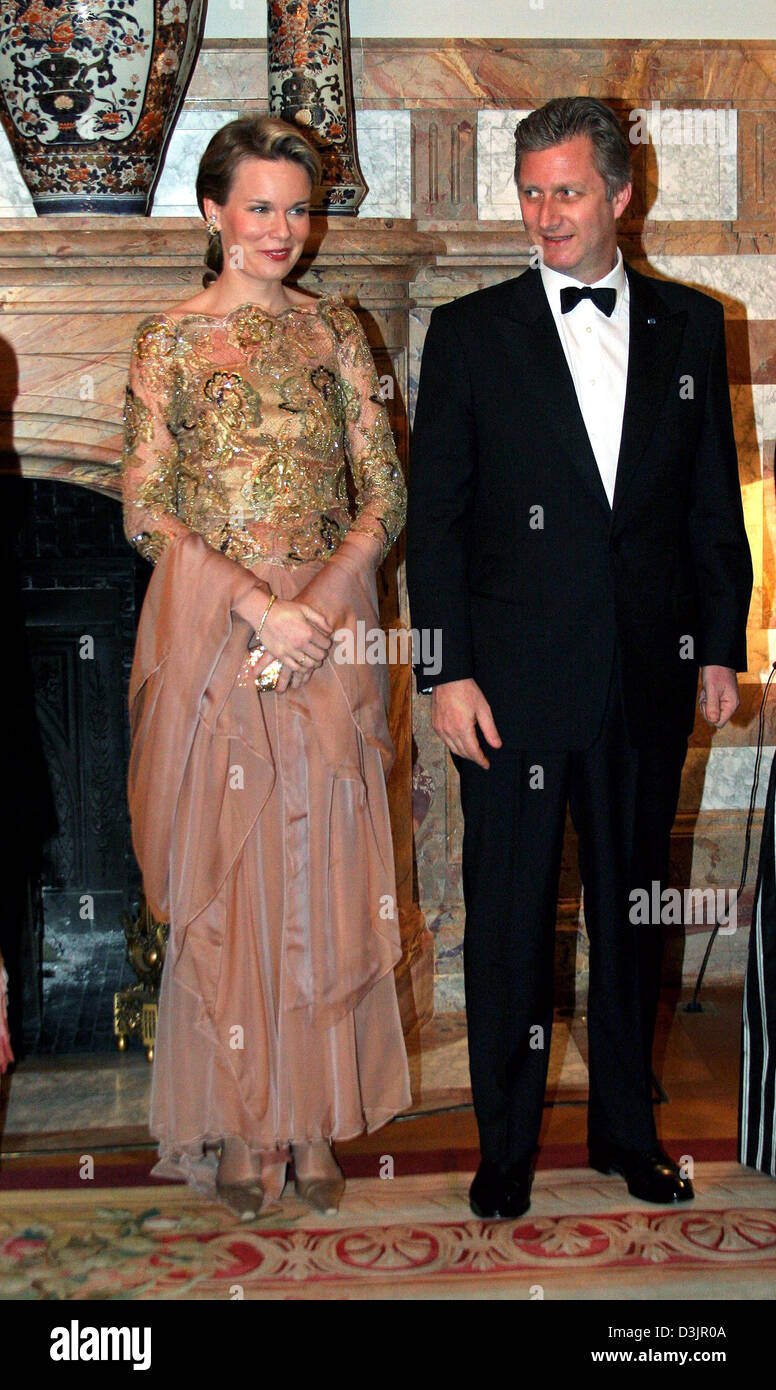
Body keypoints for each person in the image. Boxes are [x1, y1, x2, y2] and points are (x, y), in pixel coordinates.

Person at [407, 97, 753, 1218]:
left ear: (620, 195)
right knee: (508, 922)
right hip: (505, 689)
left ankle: (625, 1134)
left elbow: (710, 507)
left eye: (565, 190)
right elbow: (437, 519)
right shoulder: (467, 332)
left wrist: (716, 644)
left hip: (646, 678)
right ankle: (503, 1145)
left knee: (631, 913)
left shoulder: (692, 327)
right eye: (530, 190)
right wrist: (440, 669)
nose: (544, 213)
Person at [121, 114, 411, 1220]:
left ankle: (308, 1115)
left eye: (298, 207)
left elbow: (383, 492)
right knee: (230, 876)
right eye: (259, 206)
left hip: (326, 634)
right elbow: (147, 506)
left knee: (321, 866)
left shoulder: (340, 331)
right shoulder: (168, 340)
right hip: (210, 634)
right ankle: (241, 1118)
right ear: (211, 212)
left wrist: (318, 606)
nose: (283, 229)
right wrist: (253, 607)